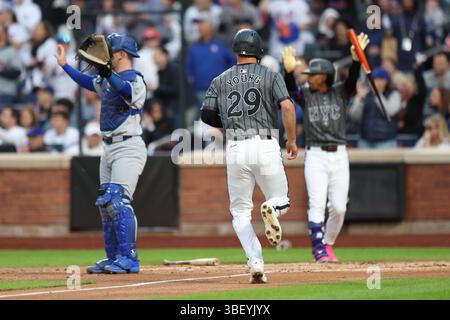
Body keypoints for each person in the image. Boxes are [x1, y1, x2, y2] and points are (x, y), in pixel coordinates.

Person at [201, 29, 298, 283]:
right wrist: (293, 140)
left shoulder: (219, 79)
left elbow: (207, 116)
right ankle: (272, 207)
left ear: (235, 50)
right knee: (282, 202)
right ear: (258, 51)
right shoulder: (270, 74)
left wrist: (231, 119)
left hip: (235, 148)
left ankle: (255, 261)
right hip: (265, 143)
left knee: (241, 212)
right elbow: (287, 106)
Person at [55, 33, 147, 274]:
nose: (104, 55)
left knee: (118, 200)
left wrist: (106, 73)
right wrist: (64, 65)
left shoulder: (135, 79)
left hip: (128, 146)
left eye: (110, 50)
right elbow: (87, 81)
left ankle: (130, 258)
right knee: (106, 204)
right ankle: (114, 257)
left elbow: (126, 90)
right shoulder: (106, 78)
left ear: (121, 54)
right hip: (108, 146)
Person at [282, 33, 369, 262]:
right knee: (317, 203)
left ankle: (328, 244)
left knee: (339, 208)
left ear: (325, 77)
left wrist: (357, 60)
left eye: (314, 74)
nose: (309, 77)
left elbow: (352, 80)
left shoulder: (340, 91)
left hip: (339, 154)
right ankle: (318, 248)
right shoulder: (306, 94)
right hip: (316, 155)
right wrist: (289, 72)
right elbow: (291, 92)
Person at [349, 68, 402, 149]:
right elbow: (354, 116)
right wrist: (360, 100)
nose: (374, 82)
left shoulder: (394, 93)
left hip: (386, 141)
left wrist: (377, 94)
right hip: (365, 140)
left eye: (378, 79)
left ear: (385, 81)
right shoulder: (365, 94)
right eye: (372, 79)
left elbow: (389, 112)